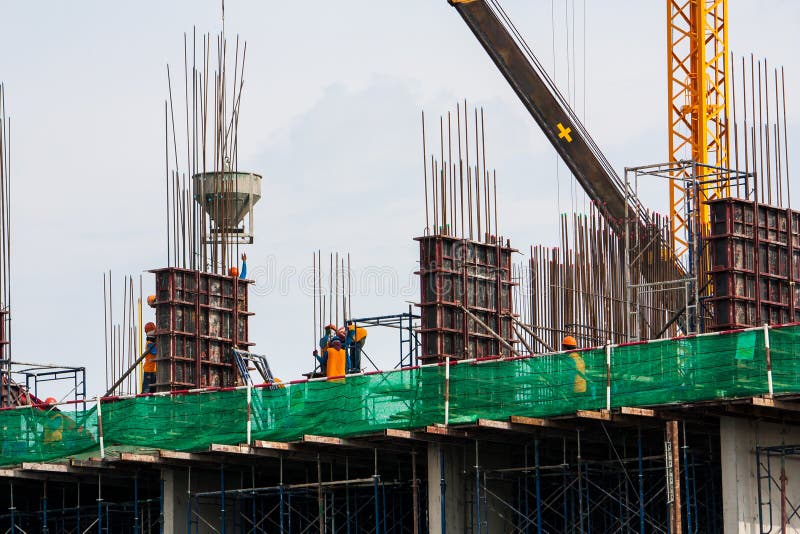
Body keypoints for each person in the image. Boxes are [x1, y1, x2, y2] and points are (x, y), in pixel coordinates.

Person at [141, 322, 157, 393]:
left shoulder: (152, 343)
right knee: (146, 390)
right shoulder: (149, 343)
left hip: (154, 370)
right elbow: (155, 352)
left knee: (153, 390)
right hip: (149, 370)